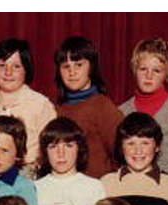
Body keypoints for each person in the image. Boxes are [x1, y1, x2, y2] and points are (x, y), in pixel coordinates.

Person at [117, 38, 168, 181]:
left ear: (167, 74)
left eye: (156, 70)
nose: (149, 75)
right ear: (135, 70)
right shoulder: (122, 112)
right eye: (143, 69)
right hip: (133, 184)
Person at [53, 36, 123, 179]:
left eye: (78, 65)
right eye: (66, 66)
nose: (72, 72)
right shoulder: (55, 109)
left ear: (91, 67)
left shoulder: (102, 106)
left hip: (97, 190)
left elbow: (121, 154)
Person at [0, 39, 57, 170]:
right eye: (2, 65)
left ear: (26, 70)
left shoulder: (41, 105)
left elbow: (51, 149)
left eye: (16, 66)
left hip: (29, 174)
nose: (8, 72)